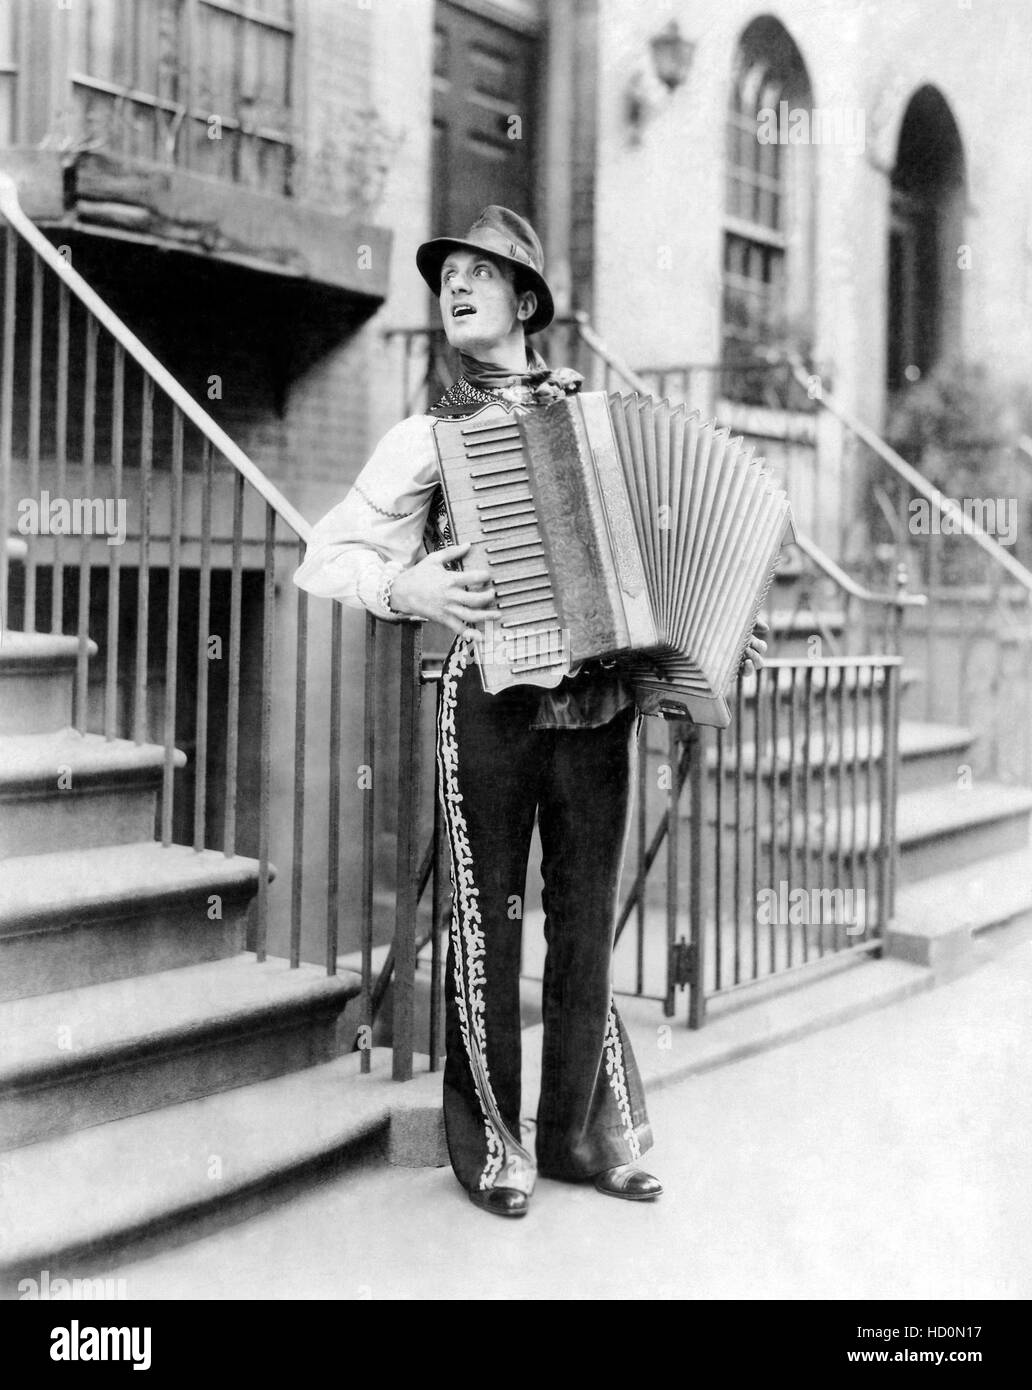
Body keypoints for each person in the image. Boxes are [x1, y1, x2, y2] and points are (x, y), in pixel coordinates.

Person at [294, 206, 767, 1219]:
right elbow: (325, 555)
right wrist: (407, 589)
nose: (457, 286)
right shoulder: (429, 434)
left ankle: (583, 1136)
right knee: (488, 923)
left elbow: (665, 563)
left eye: (481, 272)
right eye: (447, 274)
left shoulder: (603, 422)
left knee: (586, 927)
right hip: (492, 704)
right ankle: (491, 1145)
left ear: (526, 299)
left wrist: (714, 635)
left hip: (597, 710)